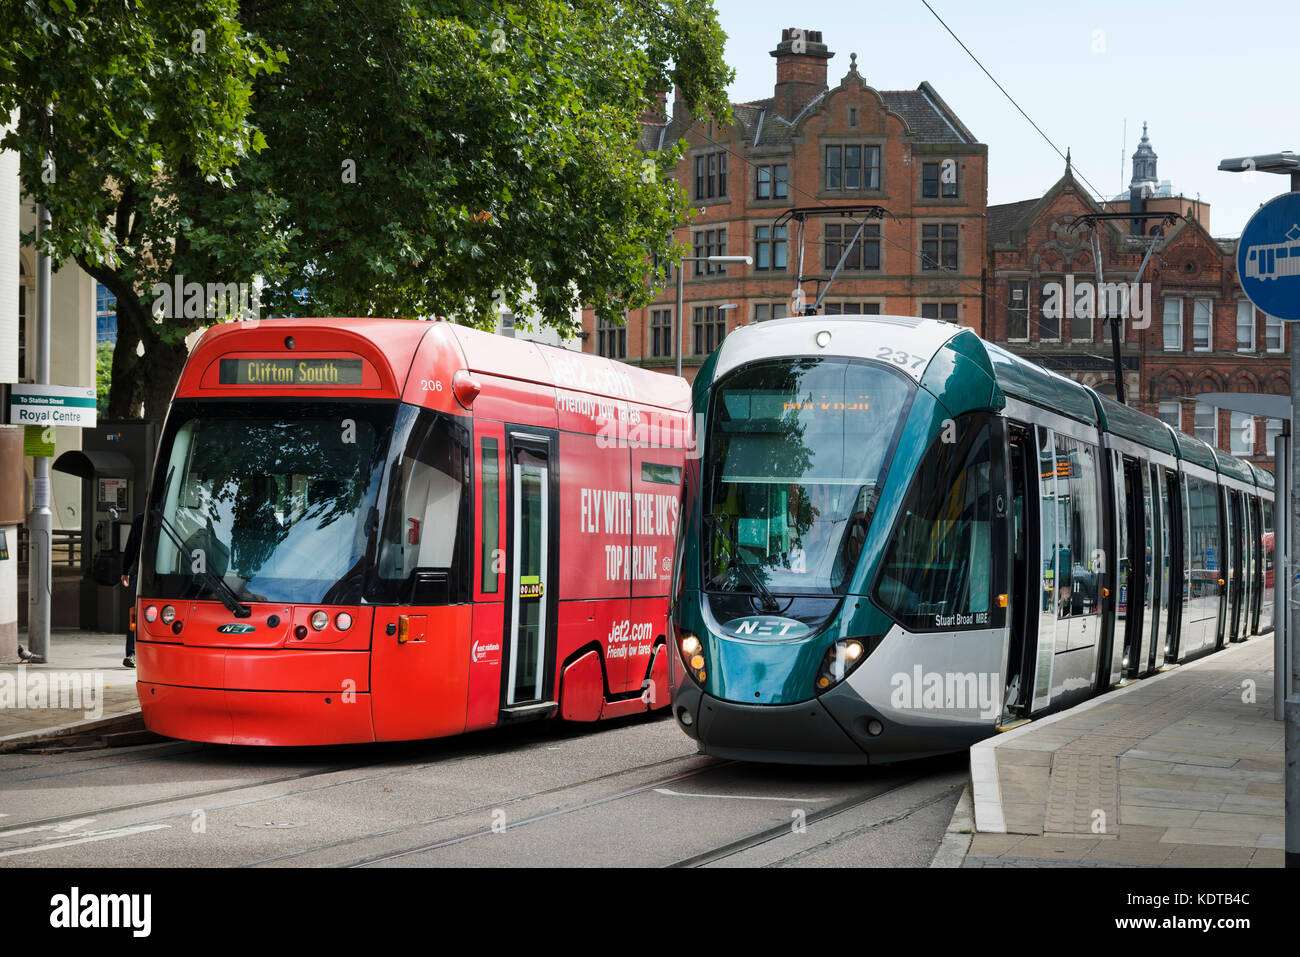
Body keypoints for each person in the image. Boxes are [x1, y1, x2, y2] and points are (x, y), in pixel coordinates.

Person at [119, 511, 144, 668]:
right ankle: (132, 653)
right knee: (134, 613)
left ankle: (132, 653)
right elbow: (132, 546)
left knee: (135, 613)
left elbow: (131, 547)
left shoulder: (140, 518)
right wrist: (125, 570)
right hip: (140, 573)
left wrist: (125, 571)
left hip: (145, 573)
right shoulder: (141, 519)